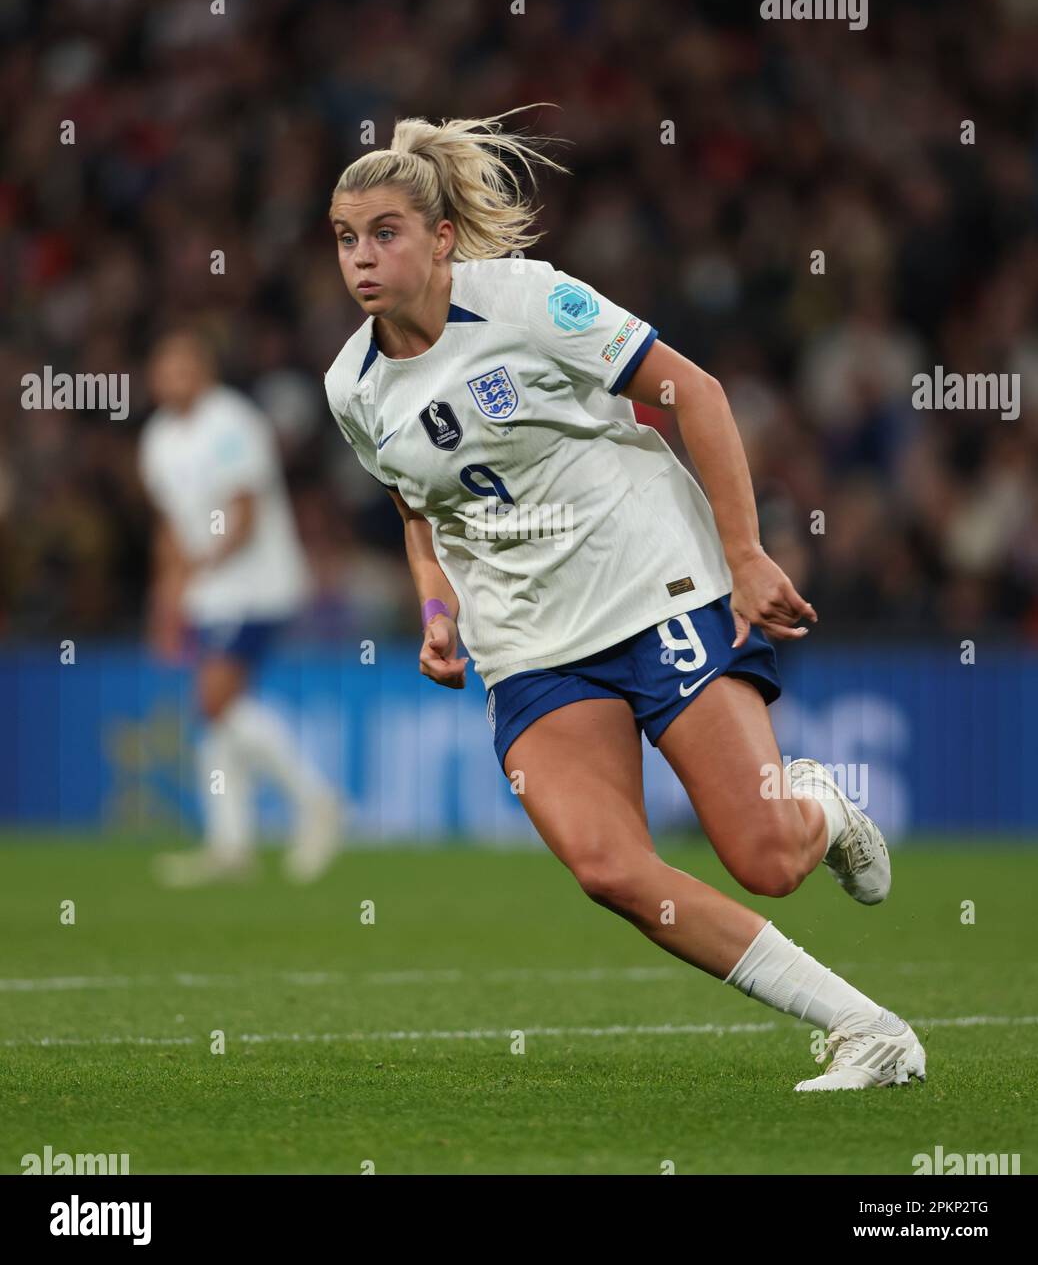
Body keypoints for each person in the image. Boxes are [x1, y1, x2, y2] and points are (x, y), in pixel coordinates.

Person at [323, 105, 926, 1092]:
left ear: (440, 239)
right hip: (527, 642)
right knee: (609, 870)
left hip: (651, 584)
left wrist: (745, 554)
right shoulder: (350, 386)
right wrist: (436, 609)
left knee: (768, 858)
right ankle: (868, 1030)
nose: (361, 257)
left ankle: (819, 806)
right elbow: (419, 515)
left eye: (384, 233)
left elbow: (695, 391)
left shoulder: (526, 299)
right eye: (346, 237)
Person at [140, 329, 344, 886]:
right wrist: (168, 595)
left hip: (258, 583)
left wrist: (196, 569)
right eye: (165, 369)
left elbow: (245, 514)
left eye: (183, 366)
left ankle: (316, 801)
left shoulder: (232, 423)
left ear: (205, 370)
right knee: (217, 714)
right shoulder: (158, 438)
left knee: (215, 700)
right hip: (209, 590)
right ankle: (231, 845)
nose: (173, 378)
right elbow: (169, 526)